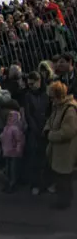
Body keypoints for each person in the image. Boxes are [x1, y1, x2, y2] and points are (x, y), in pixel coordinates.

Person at [44, 80, 77, 209]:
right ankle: (62, 200)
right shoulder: (58, 107)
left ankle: (64, 202)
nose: (51, 100)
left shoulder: (69, 109)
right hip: (58, 150)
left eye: (52, 97)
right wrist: (47, 129)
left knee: (64, 178)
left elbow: (68, 131)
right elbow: (51, 120)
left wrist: (51, 135)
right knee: (60, 177)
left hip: (65, 150)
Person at [0, 109, 25, 193]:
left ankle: (12, 184)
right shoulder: (6, 128)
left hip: (14, 153)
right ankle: (8, 183)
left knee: (13, 169)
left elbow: (19, 141)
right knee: (8, 169)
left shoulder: (15, 129)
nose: (9, 118)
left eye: (11, 116)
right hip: (7, 152)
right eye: (9, 116)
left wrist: (18, 149)